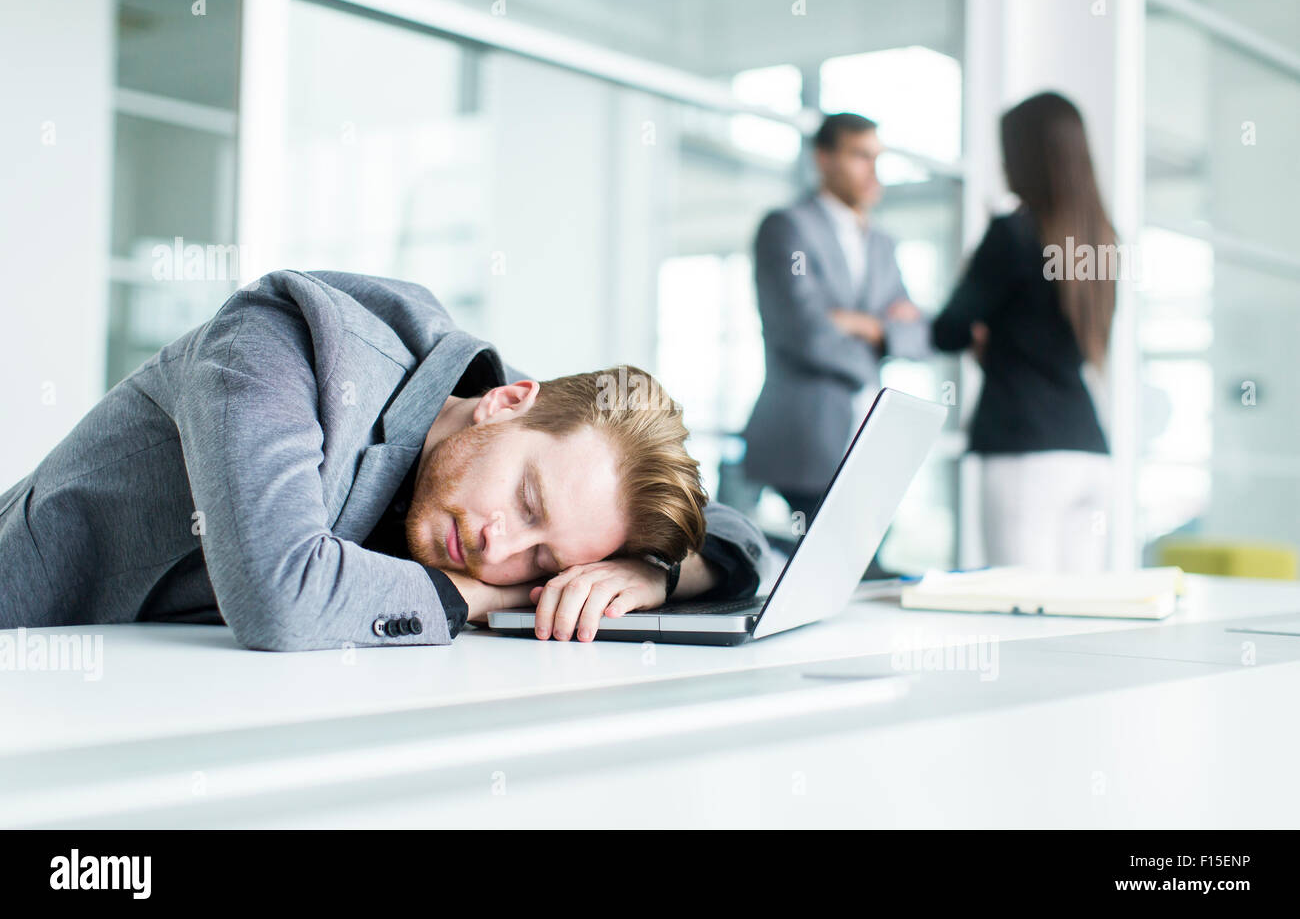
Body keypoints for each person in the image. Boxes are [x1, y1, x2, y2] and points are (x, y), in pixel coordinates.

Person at [0, 270, 770, 649]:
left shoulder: (523, 445)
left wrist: (645, 575)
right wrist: (497, 597)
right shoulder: (279, 344)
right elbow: (281, 594)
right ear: (507, 399)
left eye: (543, 557)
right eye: (528, 506)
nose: (503, 547)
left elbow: (741, 536)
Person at [931, 91, 1116, 572]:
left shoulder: (1012, 232)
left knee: (1023, 614)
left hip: (1025, 452)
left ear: (1026, 154)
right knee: (1080, 619)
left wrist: (980, 333)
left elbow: (948, 329)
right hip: (1089, 452)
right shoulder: (1101, 240)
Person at [742, 112, 929, 567]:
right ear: (823, 159)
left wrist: (864, 325)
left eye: (878, 158)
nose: (874, 171)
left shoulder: (882, 243)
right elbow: (805, 332)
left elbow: (922, 334)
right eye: (860, 157)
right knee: (834, 566)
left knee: (864, 565)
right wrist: (884, 328)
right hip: (806, 433)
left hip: (869, 433)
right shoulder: (787, 228)